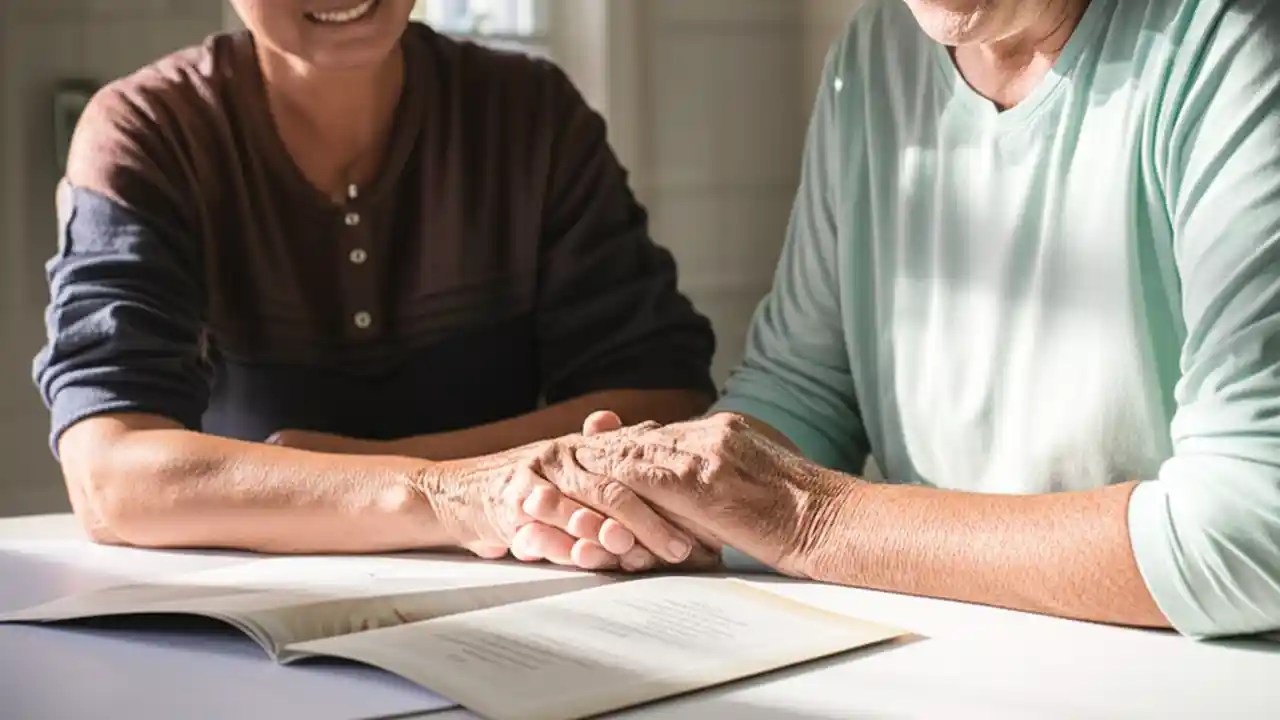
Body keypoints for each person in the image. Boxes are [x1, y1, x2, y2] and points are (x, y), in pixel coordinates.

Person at [519, 0, 1280, 639]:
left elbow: (1252, 531)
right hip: (941, 646)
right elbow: (806, 389)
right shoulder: (874, 54)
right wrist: (680, 502)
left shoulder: (1235, 48)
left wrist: (808, 520)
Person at [32, 0, 718, 571]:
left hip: (514, 591)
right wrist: (453, 493)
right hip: (251, 608)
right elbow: (111, 477)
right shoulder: (149, 130)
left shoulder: (532, 113)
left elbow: (665, 400)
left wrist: (373, 469)